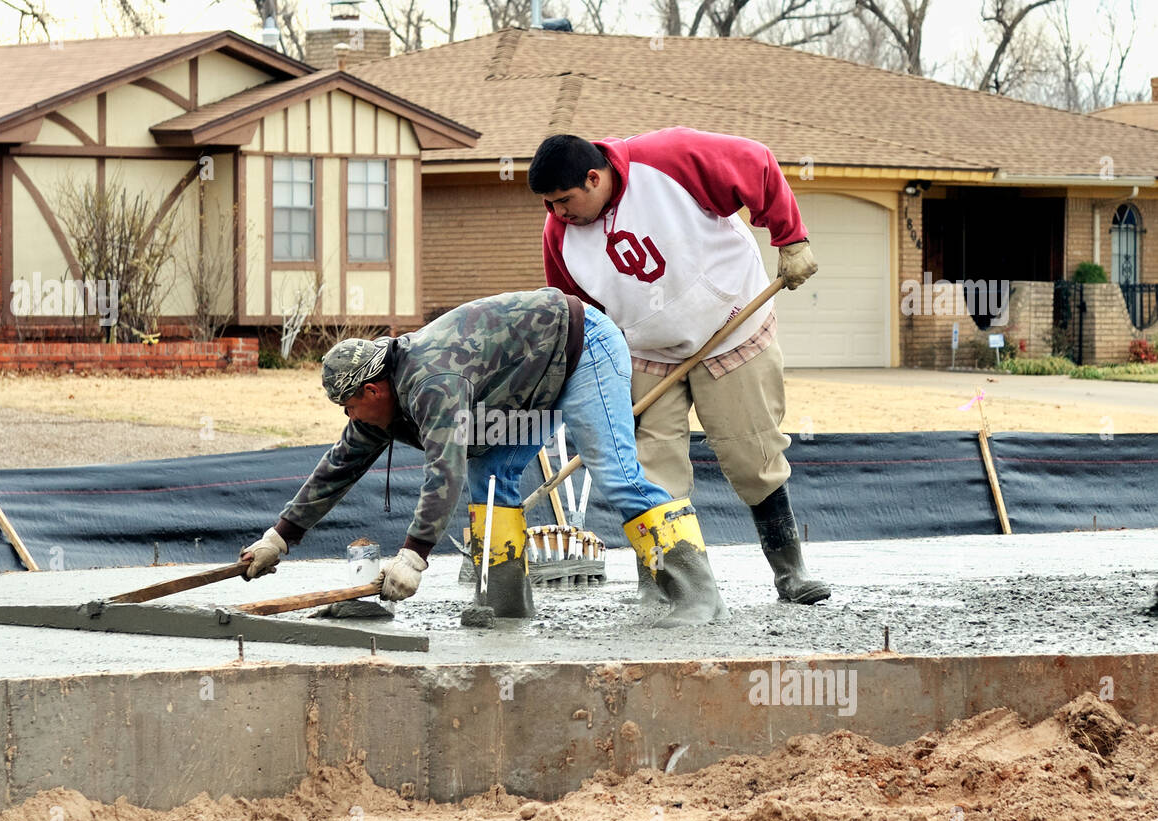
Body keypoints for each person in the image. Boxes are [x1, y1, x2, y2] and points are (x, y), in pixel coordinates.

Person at [240, 288, 726, 626]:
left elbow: (442, 470)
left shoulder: (431, 383)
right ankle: (505, 603)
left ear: (371, 389)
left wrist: (413, 558)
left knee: (616, 475)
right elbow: (338, 467)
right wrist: (279, 539)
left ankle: (697, 597)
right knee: (490, 476)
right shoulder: (380, 403)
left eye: (349, 406)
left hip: (581, 348)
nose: (350, 417)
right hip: (524, 381)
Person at [527, 128, 831, 605]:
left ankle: (790, 571)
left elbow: (758, 165)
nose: (558, 213)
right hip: (645, 350)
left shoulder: (669, 159)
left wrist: (790, 238)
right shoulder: (559, 236)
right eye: (548, 204)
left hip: (732, 324)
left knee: (754, 457)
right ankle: (667, 584)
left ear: (593, 177)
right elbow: (578, 313)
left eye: (564, 200)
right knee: (650, 471)